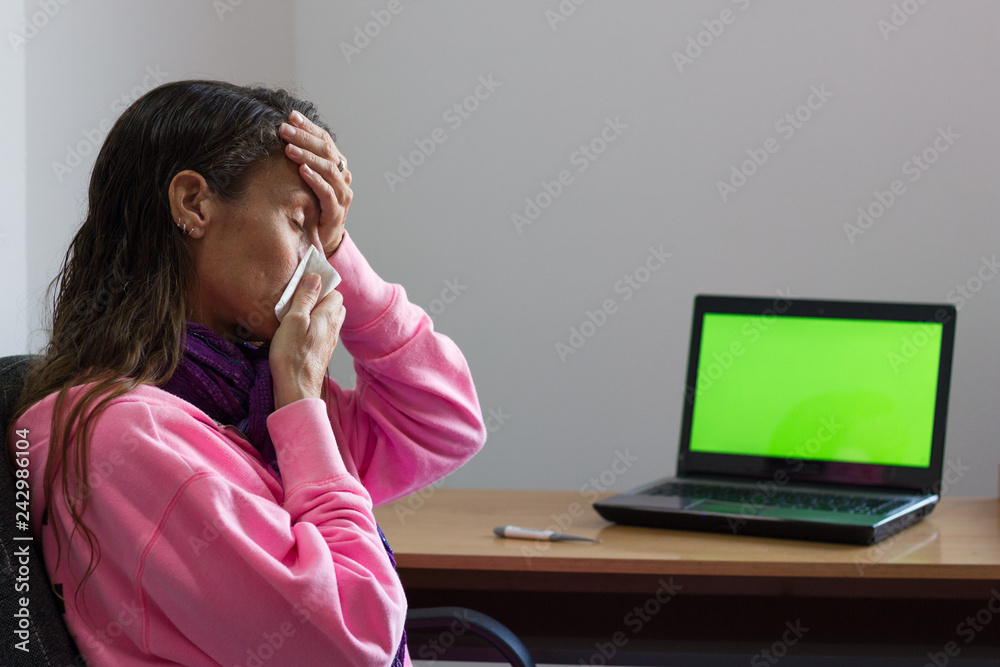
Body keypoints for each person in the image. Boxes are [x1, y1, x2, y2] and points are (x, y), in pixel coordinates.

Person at [7, 80, 487, 666]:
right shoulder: (127, 440)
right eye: (297, 222)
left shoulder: (246, 400)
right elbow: (354, 643)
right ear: (193, 204)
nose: (320, 267)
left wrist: (340, 251)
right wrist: (303, 404)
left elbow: (445, 424)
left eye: (323, 239)